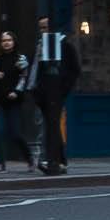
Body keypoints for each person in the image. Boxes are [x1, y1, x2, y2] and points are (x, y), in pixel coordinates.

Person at [29, 17, 80, 174]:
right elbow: (36, 69)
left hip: (56, 93)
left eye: (45, 27)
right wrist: (34, 90)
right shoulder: (41, 46)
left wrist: (62, 89)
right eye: (41, 28)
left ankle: (53, 160)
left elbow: (74, 70)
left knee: (52, 125)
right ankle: (59, 160)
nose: (43, 31)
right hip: (42, 93)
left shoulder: (64, 46)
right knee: (51, 126)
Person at [0, 30, 33, 170]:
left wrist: (16, 91)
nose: (6, 43)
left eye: (9, 40)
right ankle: (0, 163)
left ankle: (29, 158)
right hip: (0, 100)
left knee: (16, 133)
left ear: (14, 42)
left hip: (14, 100)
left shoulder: (20, 59)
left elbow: (24, 77)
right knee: (0, 132)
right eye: (3, 41)